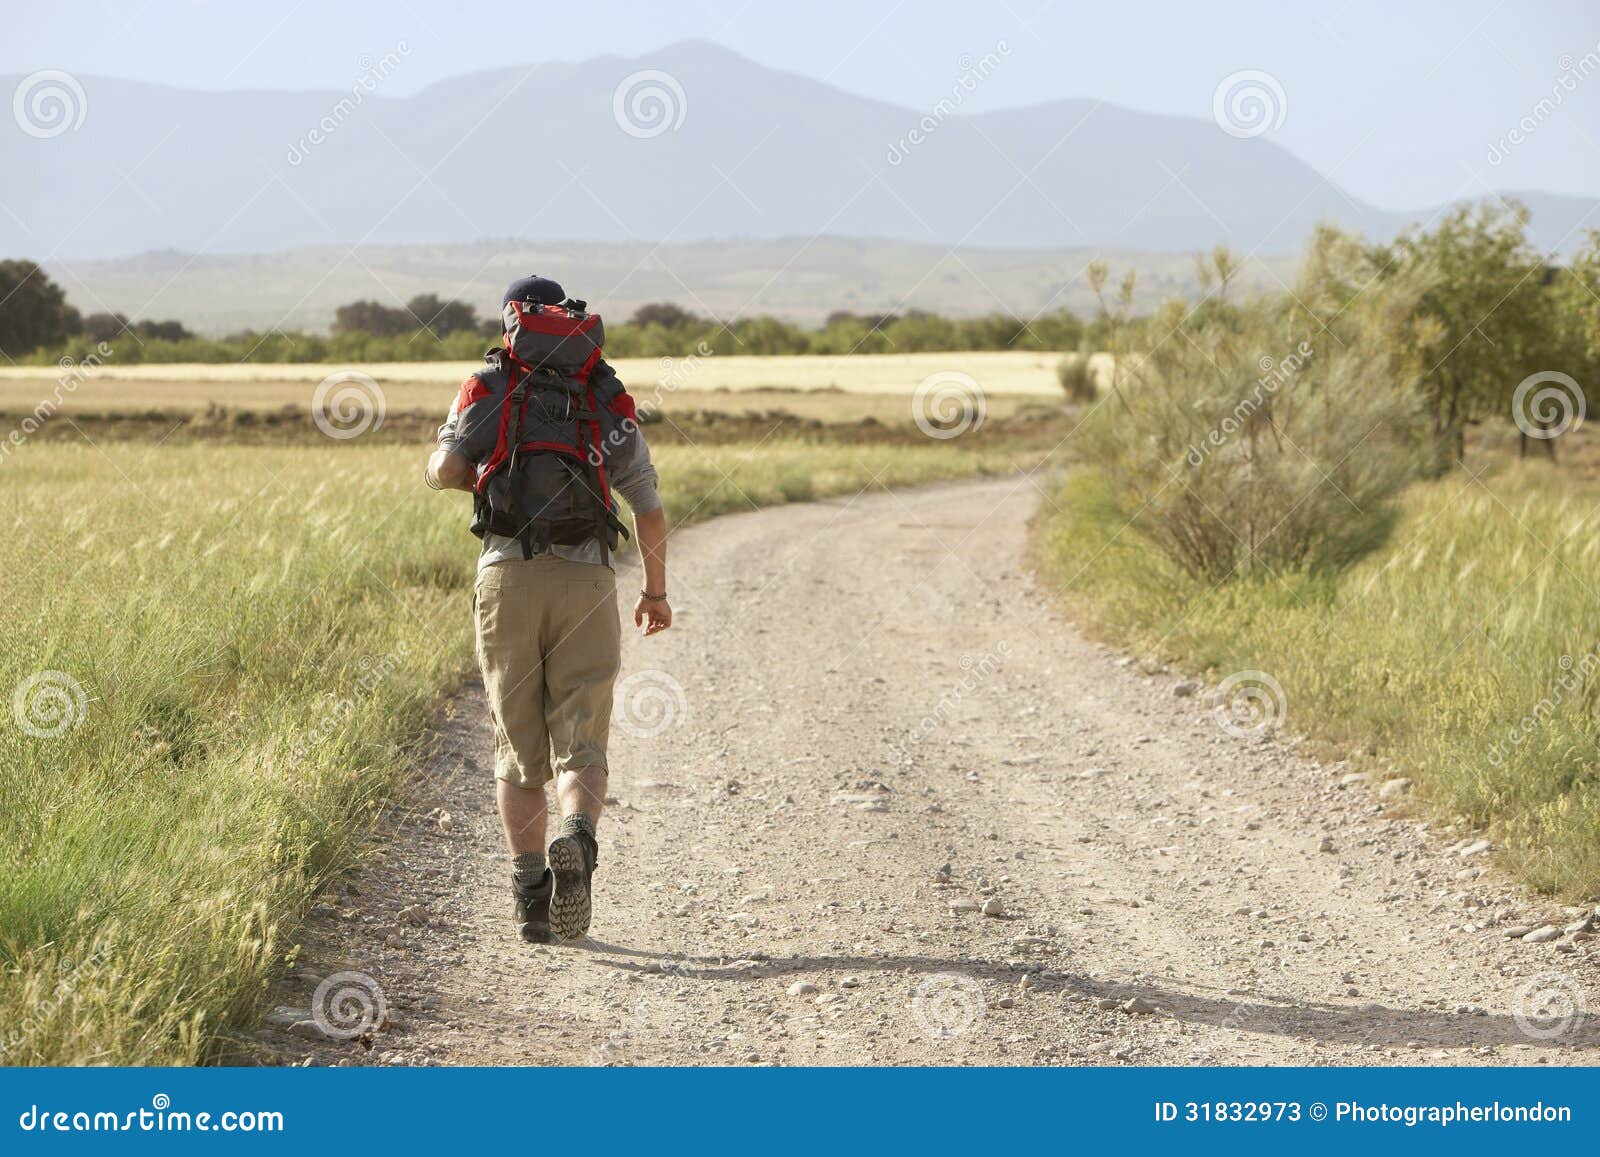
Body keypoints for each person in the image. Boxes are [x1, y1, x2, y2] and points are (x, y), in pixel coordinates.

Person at [426, 274, 671, 943]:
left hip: (508, 575)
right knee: (582, 733)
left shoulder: (490, 384)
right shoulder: (601, 392)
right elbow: (647, 506)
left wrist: (462, 469)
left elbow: (448, 468)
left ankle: (532, 896)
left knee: (517, 747)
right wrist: (655, 592)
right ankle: (580, 838)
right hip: (587, 580)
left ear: (510, 321)